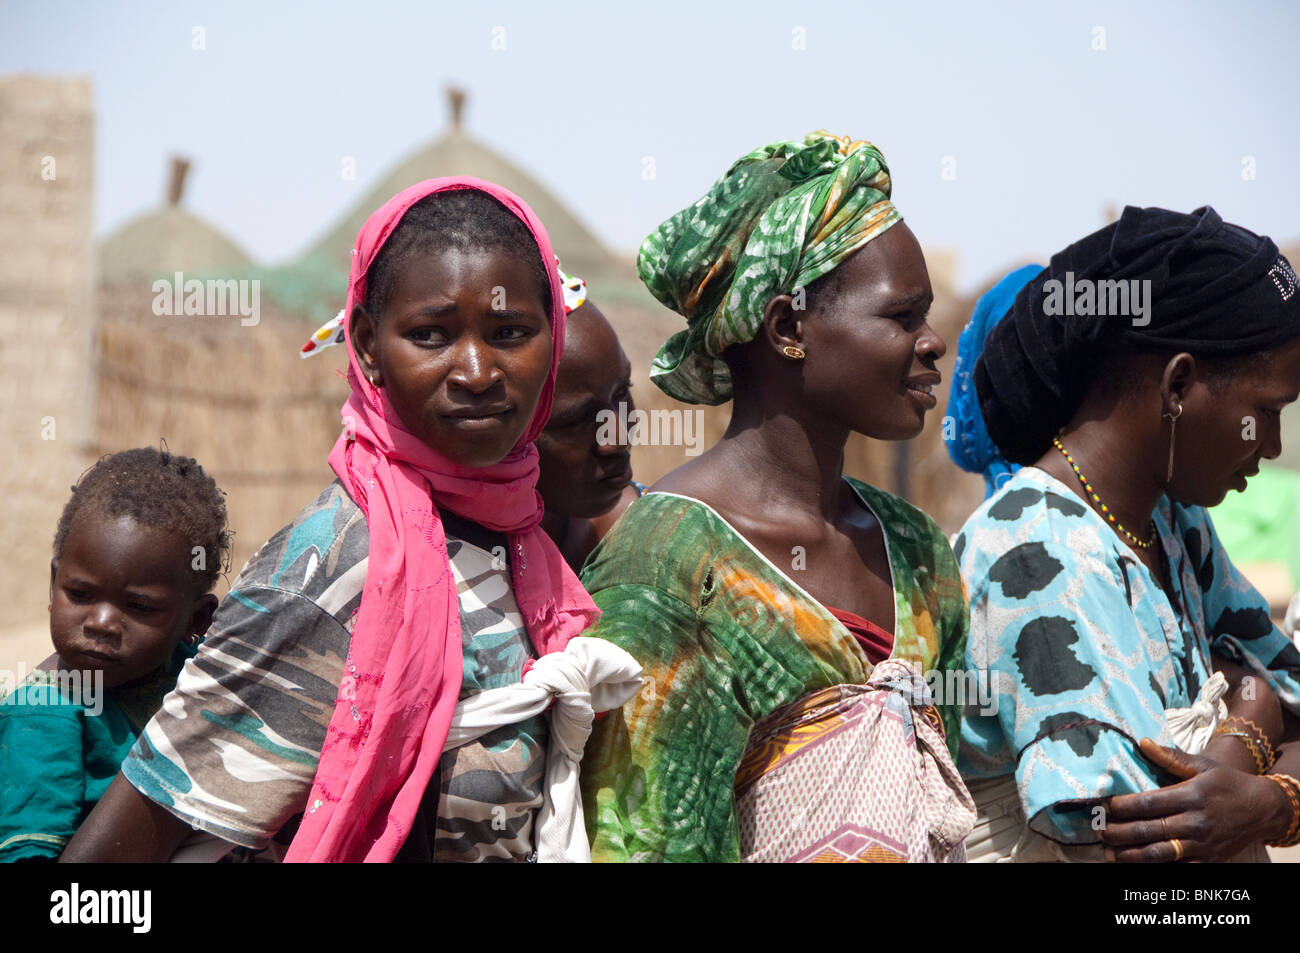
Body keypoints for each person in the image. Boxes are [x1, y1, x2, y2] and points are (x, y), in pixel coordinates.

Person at [62, 178, 639, 864]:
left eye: (510, 332)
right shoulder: (339, 566)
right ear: (368, 345)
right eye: (430, 335)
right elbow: (100, 869)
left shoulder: (521, 540)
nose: (478, 371)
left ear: (554, 333)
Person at [577, 132, 974, 863]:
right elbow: (641, 844)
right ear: (789, 327)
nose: (933, 342)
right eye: (901, 316)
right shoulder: (669, 566)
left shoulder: (917, 553)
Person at [951, 205, 1300, 862]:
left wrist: (1268, 795)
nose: (1272, 445)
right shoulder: (1033, 554)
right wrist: (1258, 720)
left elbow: (1286, 688)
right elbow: (1144, 834)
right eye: (1267, 412)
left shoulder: (1175, 524)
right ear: (1180, 384)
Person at [0, 448, 226, 861]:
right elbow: (28, 852)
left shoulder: (201, 678)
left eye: (139, 607)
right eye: (81, 594)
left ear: (197, 618)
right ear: (54, 583)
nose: (102, 622)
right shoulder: (45, 713)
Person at [535, 266, 643, 570]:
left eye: (622, 392)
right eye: (578, 419)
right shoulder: (438, 566)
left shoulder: (648, 538)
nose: (618, 438)